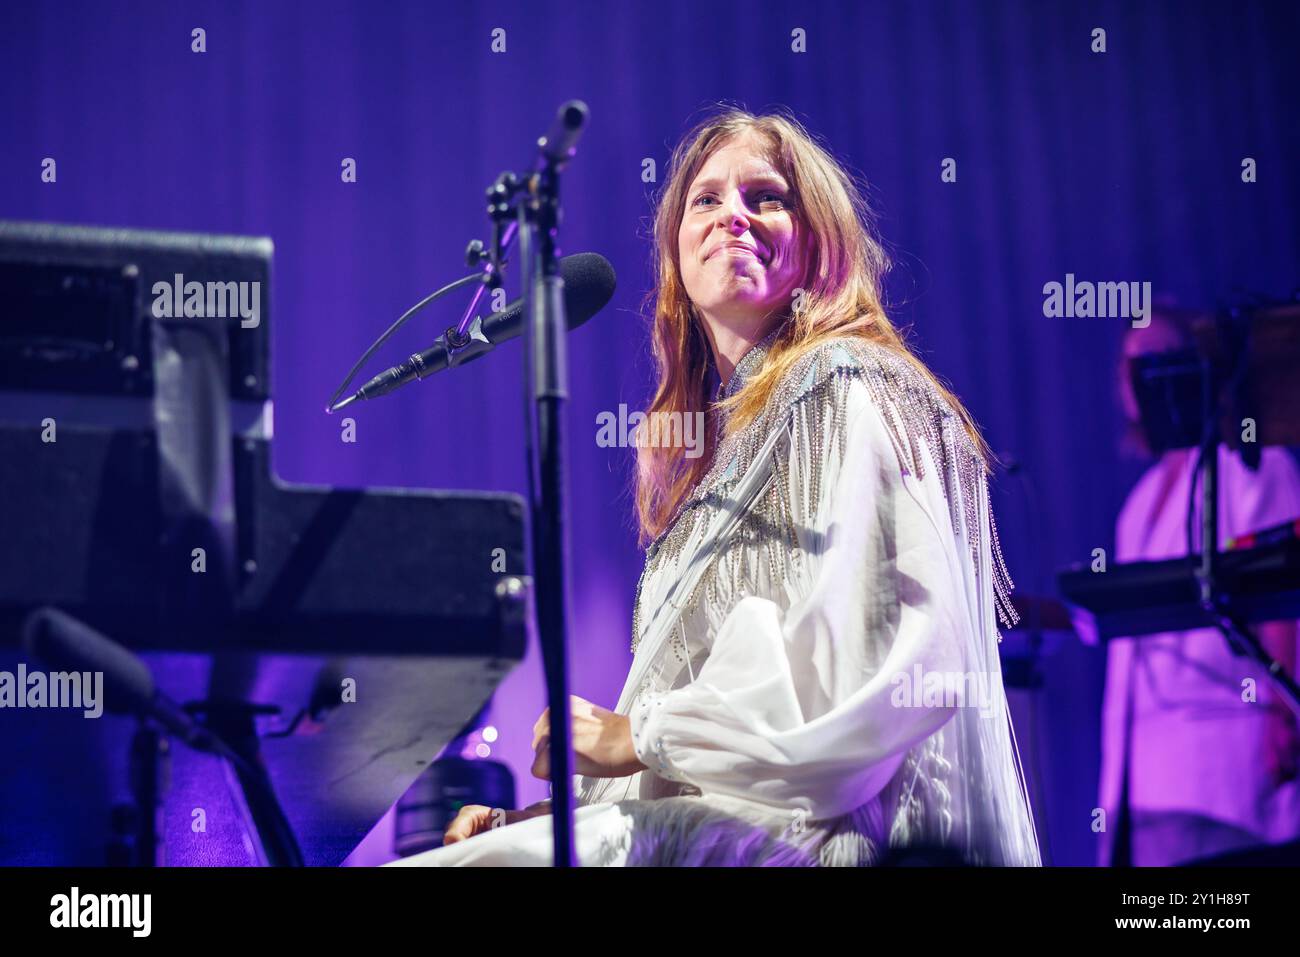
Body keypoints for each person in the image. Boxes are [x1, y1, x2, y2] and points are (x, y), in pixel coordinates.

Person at [390, 107, 1041, 867]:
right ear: (675, 254)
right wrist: (541, 819)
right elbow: (710, 771)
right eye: (706, 199)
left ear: (818, 238)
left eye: (766, 196)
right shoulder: (718, 462)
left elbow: (864, 691)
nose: (733, 214)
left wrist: (642, 733)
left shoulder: (847, 385)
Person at [1090, 308, 1300, 867]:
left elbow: (1285, 598)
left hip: (1218, 757)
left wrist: (1281, 715)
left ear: (1197, 367)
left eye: (1158, 359)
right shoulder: (1138, 504)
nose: (1141, 376)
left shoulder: (1254, 468)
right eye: (1129, 365)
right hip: (1138, 777)